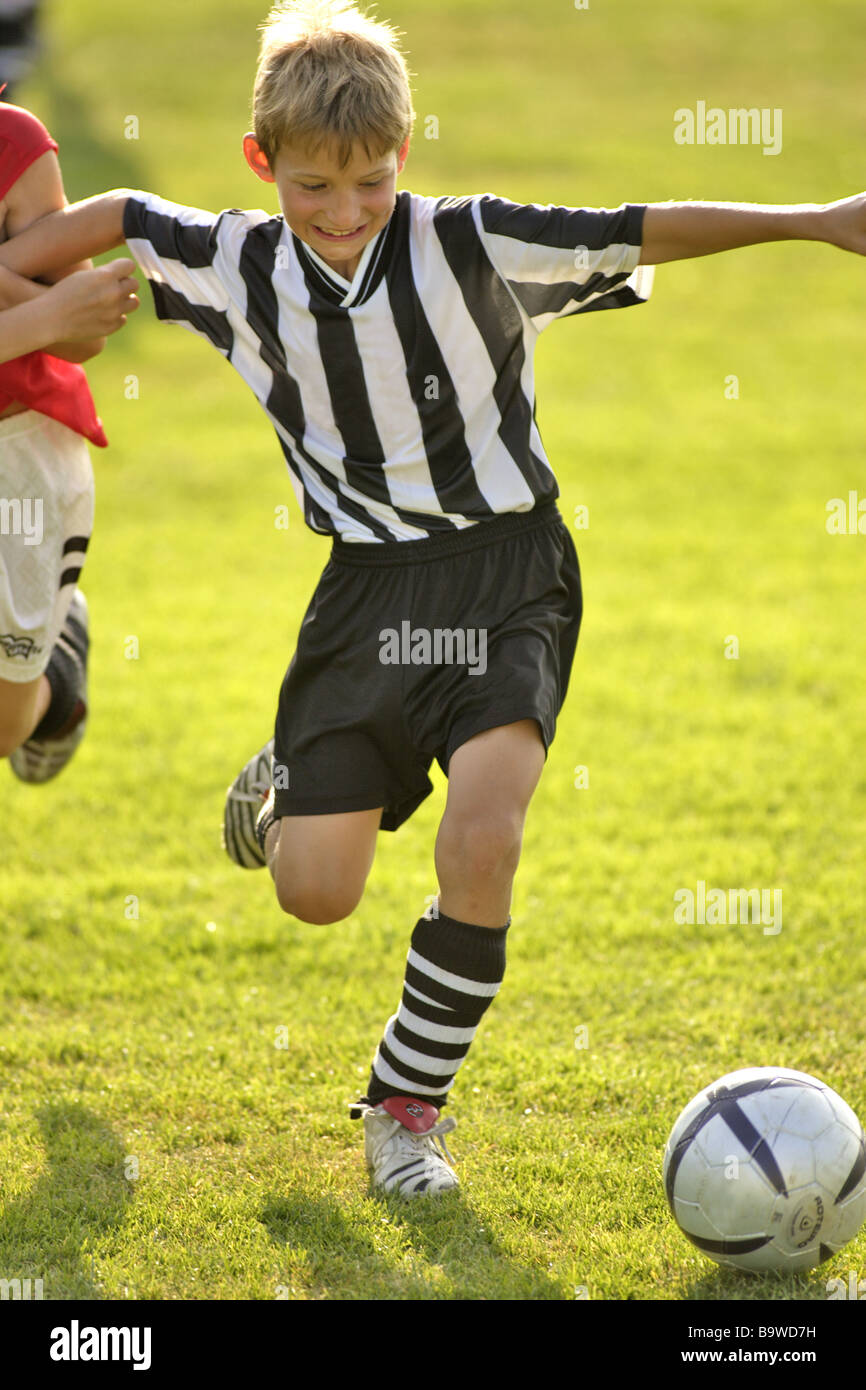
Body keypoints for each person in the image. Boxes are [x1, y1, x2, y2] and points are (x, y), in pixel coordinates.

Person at [2, 0, 864, 1194]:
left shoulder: (472, 244)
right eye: (312, 187)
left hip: (512, 572)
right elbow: (111, 218)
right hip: (364, 596)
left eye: (369, 182)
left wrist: (817, 221)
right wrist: (27, 289)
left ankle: (405, 1109)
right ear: (263, 164)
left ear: (402, 153)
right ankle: (286, 776)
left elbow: (640, 226)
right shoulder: (230, 260)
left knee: (485, 833)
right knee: (315, 894)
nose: (344, 214)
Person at [0, 100, 138, 781]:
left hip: (17, 458)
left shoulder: (12, 141)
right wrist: (40, 308)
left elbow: (87, 330)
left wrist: (43, 306)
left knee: (2, 726)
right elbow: (62, 315)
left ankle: (57, 673)